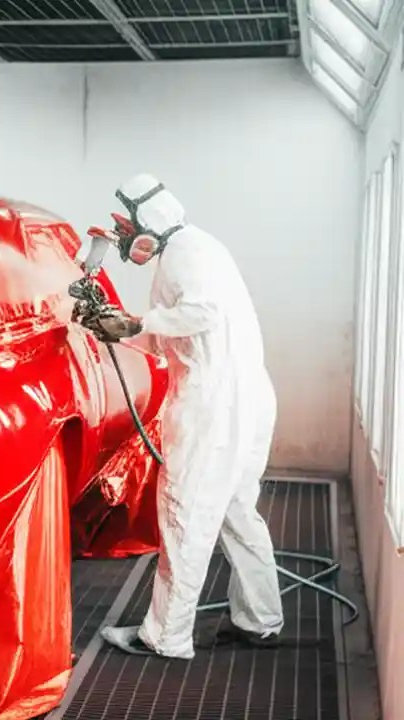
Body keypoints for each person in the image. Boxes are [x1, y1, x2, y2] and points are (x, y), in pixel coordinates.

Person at [85, 173, 284, 659]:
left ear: (147, 221)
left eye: (126, 227)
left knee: (184, 515)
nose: (125, 238)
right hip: (246, 397)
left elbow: (203, 313)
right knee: (237, 512)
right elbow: (171, 333)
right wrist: (121, 328)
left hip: (212, 405)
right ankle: (261, 620)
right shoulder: (197, 249)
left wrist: (136, 321)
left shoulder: (184, 255)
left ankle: (166, 637)